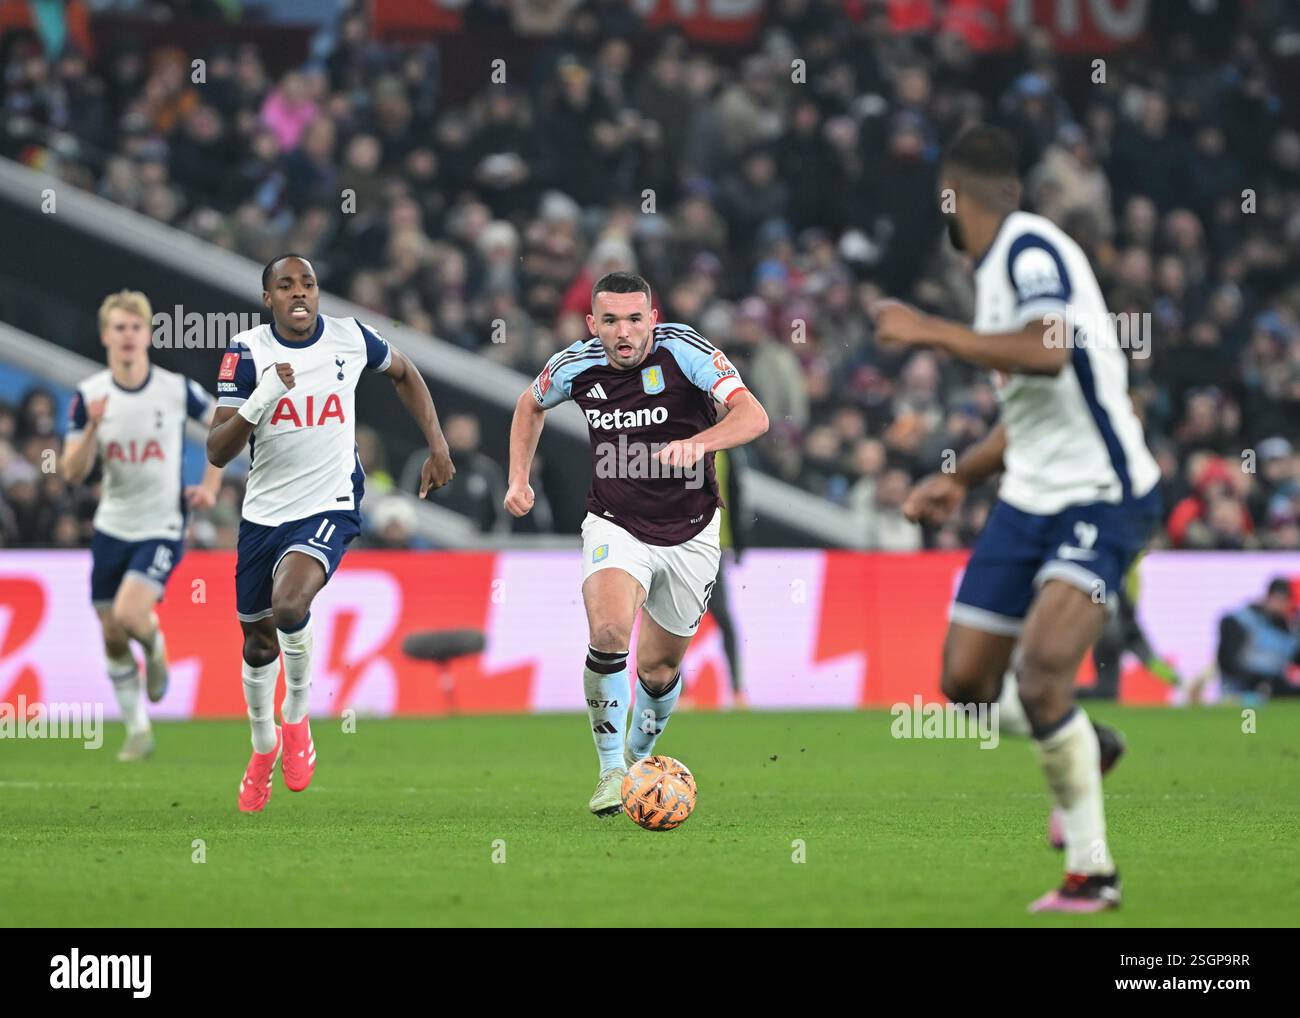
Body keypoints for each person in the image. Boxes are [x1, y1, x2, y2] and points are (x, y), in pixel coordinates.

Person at [875, 125, 1161, 912]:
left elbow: (1048, 350)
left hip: (1100, 494)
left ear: (953, 195)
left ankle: (1093, 872)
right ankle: (1086, 742)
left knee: (1039, 676)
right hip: (1029, 494)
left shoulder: (1029, 251)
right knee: (965, 682)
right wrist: (958, 480)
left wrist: (928, 329)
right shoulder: (996, 275)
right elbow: (1029, 409)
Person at [504, 271, 768, 815]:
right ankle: (609, 771)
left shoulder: (686, 351)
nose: (622, 332)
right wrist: (518, 479)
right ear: (591, 324)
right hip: (614, 521)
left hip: (692, 531)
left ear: (652, 317)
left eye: (633, 318)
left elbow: (753, 416)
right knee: (608, 631)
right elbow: (529, 405)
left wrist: (699, 444)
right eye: (609, 320)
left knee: (659, 670)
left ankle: (638, 755)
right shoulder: (575, 364)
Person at [206, 253, 455, 812]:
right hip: (262, 516)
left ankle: (297, 717)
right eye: (286, 285)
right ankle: (263, 746)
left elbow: (406, 374)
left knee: (290, 605)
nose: (300, 293)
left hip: (330, 503)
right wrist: (263, 395)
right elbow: (217, 451)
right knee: (258, 641)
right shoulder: (246, 353)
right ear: (267, 298)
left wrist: (438, 445)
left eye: (309, 283)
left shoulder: (349, 337)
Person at [60, 290, 224, 761]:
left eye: (135, 327)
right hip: (112, 525)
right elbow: (71, 472)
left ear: (147, 334)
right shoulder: (90, 396)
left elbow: (225, 427)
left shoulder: (174, 389)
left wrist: (209, 487)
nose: (128, 336)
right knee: (111, 632)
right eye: (119, 328)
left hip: (162, 524)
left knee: (132, 616)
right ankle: (137, 729)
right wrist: (91, 429)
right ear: (105, 335)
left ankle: (155, 647)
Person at [1217, 577, 1300, 701]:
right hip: (1242, 690)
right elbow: (1228, 663)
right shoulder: (1241, 621)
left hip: (1274, 689)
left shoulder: (1288, 631)